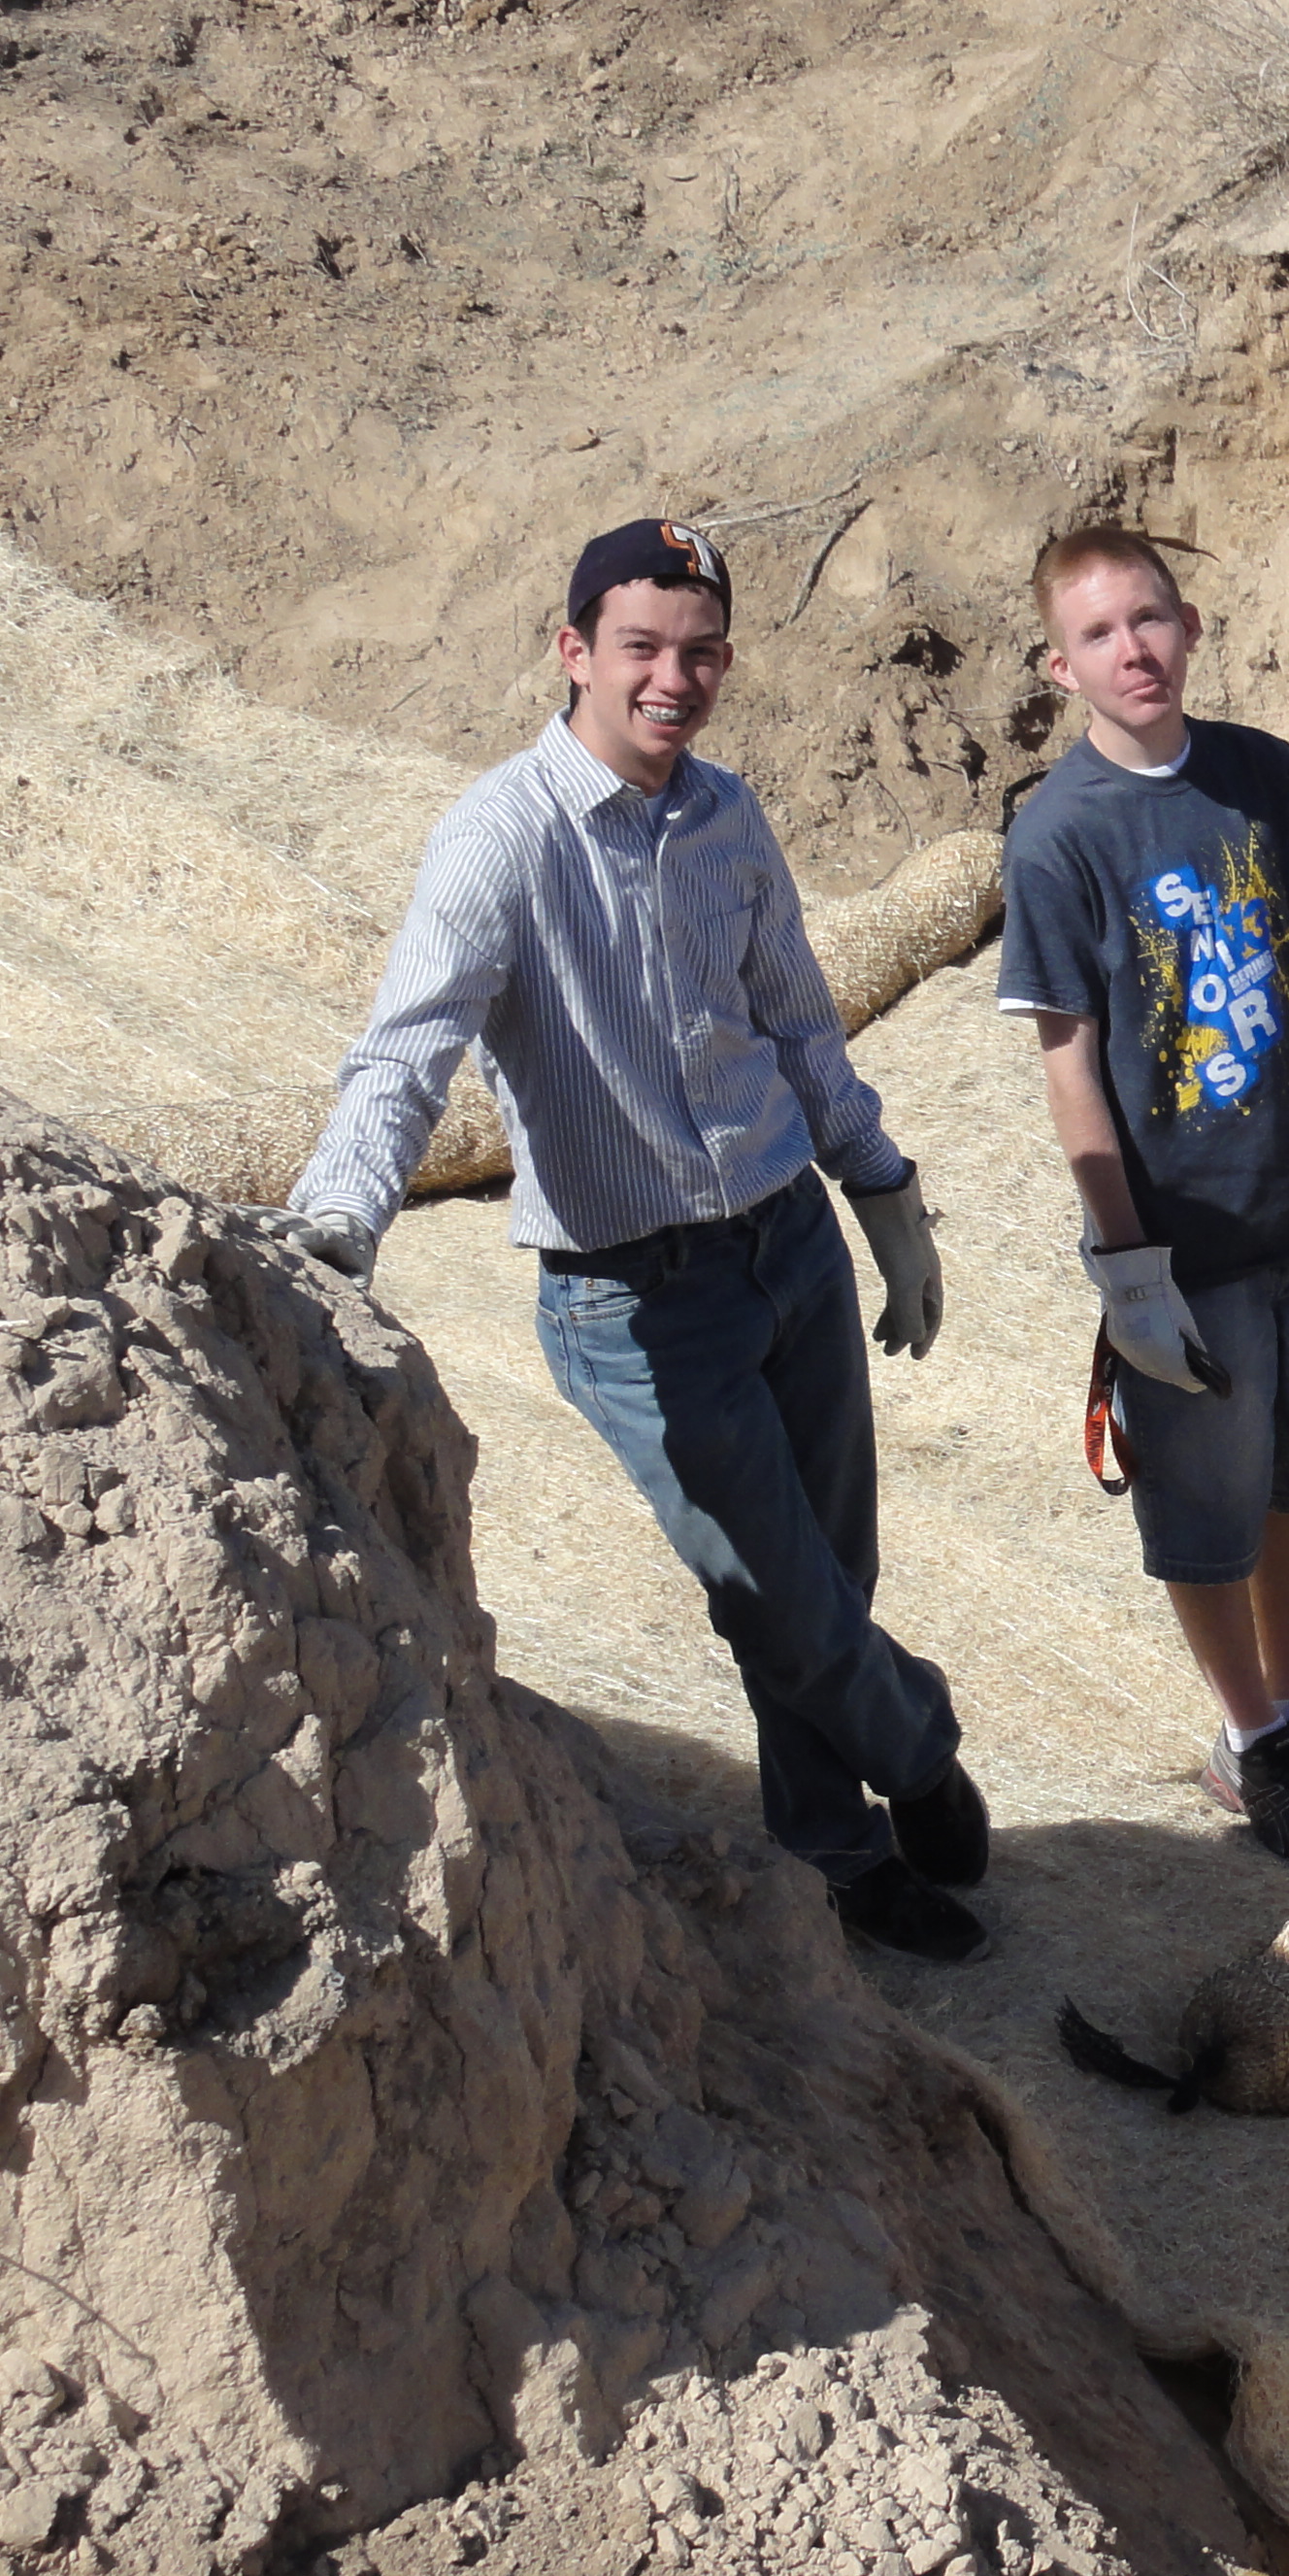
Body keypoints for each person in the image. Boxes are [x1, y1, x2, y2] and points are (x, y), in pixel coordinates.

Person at [276, 518, 983, 1961]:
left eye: (702, 652)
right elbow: (407, 1049)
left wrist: (884, 1196)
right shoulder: (502, 838)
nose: (675, 678)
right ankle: (915, 1745)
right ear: (575, 651)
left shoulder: (727, 816)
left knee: (826, 1582)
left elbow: (800, 1025)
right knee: (777, 1597)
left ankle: (837, 1856)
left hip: (788, 1247)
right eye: (643, 648)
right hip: (635, 1300)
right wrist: (340, 1219)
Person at [998, 525, 1289, 1872]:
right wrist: (1126, 1267)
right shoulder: (1058, 836)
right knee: (1205, 1505)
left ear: (1189, 627)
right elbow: (1069, 1061)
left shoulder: (1261, 775)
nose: (1133, 649)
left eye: (1150, 619)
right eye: (1099, 633)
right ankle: (1244, 1743)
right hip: (1184, 1244)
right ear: (1060, 668)